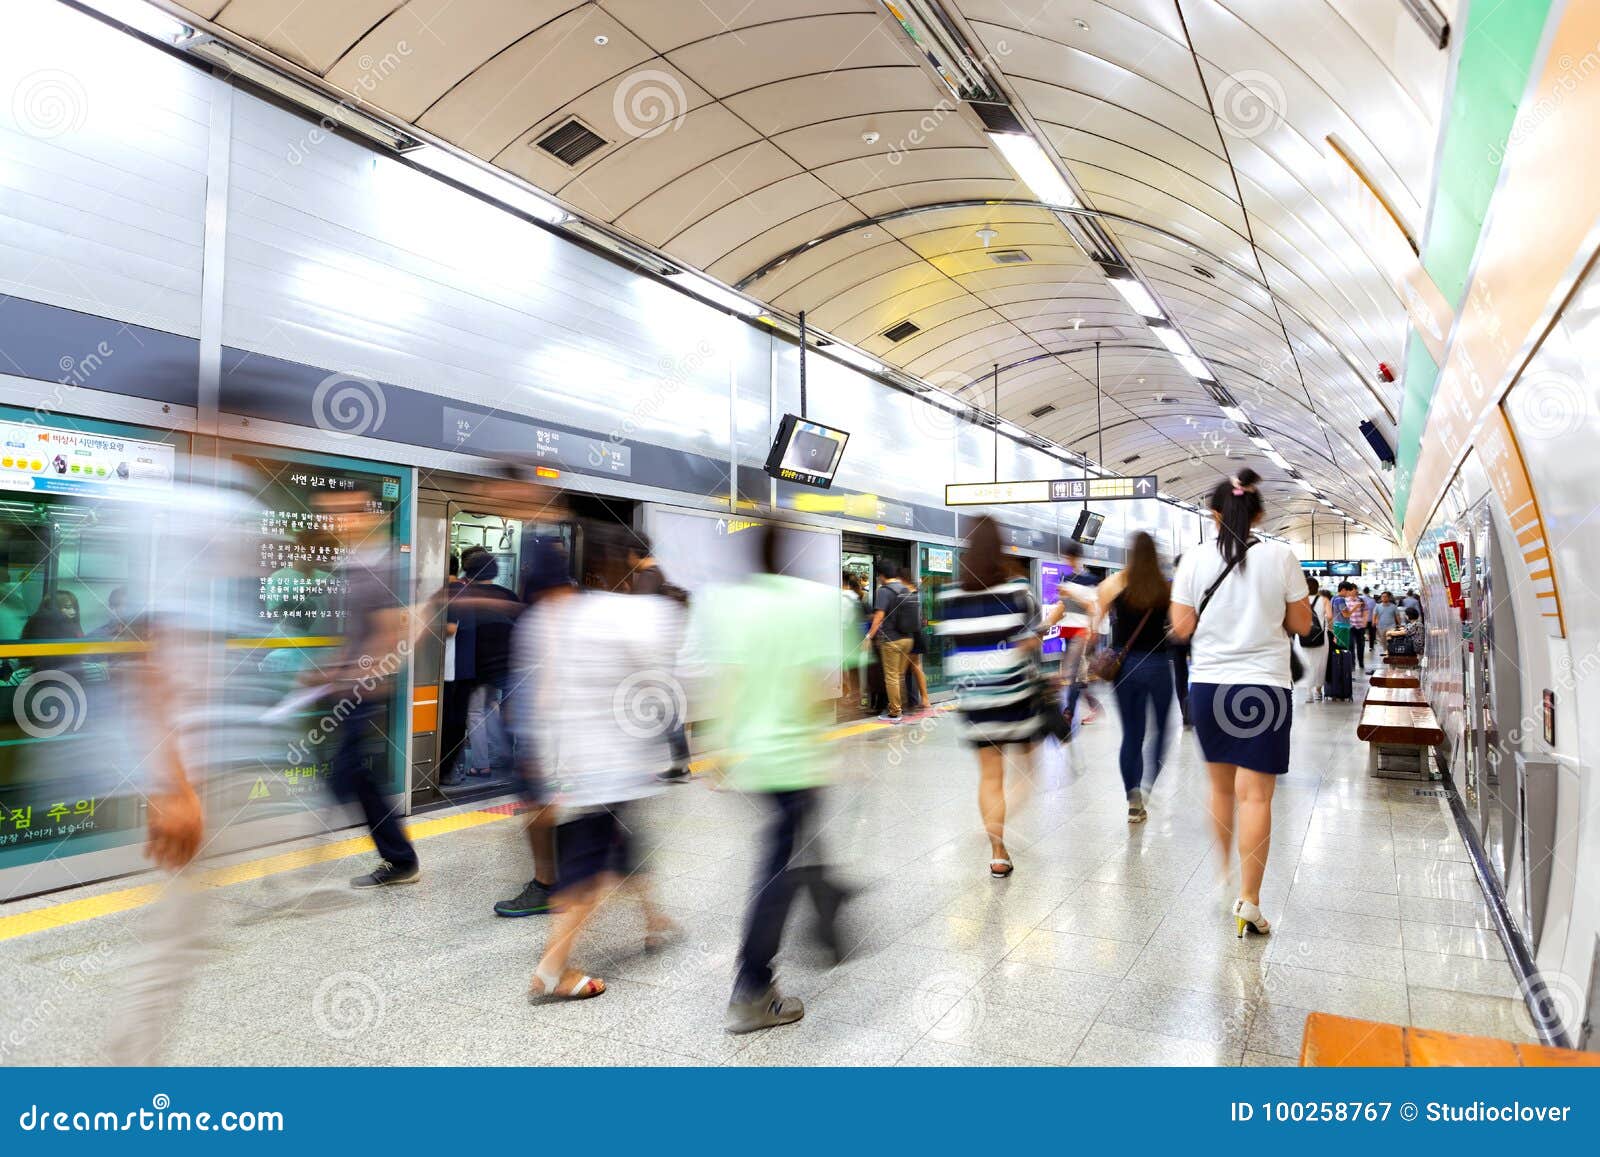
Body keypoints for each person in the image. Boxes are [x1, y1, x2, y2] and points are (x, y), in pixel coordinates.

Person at [698, 522, 854, 1033]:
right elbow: (822, 688)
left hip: (752, 756)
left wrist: (719, 747)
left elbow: (727, 681)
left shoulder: (729, 604)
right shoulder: (813, 603)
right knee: (779, 863)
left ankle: (828, 900)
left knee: (792, 842)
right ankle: (752, 986)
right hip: (793, 757)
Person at [520, 525, 679, 1000]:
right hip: (610, 768)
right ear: (627, 564)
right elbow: (662, 678)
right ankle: (552, 969)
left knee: (619, 849)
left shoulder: (554, 616)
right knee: (588, 874)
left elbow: (542, 694)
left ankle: (655, 919)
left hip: (576, 764)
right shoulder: (629, 615)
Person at [1170, 469, 1311, 939]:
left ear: (1213, 515)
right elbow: (1302, 624)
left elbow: (1182, 628)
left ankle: (1221, 874)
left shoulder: (1192, 561)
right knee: (1256, 797)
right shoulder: (1282, 555)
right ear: (1259, 514)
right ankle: (1249, 899)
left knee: (1222, 789)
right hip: (1264, 690)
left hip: (1208, 687)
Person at [315, 483, 419, 889]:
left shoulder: (387, 565)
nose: (336, 521)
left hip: (364, 689)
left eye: (344, 512)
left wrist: (359, 673)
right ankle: (397, 857)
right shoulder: (354, 563)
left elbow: (390, 631)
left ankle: (398, 859)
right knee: (350, 773)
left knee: (347, 772)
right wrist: (329, 667)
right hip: (347, 687)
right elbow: (356, 632)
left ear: (367, 515)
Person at [934, 517, 1041, 878]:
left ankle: (997, 848)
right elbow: (1028, 642)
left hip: (974, 701)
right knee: (1028, 770)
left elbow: (953, 646)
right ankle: (999, 820)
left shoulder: (949, 596)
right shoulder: (1016, 592)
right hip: (1014, 698)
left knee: (989, 778)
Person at [1094, 532, 1173, 824]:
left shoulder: (1115, 587)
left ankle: (1133, 797)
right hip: (1157, 665)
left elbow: (1096, 623)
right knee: (1162, 730)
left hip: (1124, 666)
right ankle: (1149, 784)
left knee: (1132, 733)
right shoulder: (1165, 590)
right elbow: (1178, 627)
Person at [446, 547, 523, 785]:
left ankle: (481, 765)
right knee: (492, 708)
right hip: (507, 665)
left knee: (475, 713)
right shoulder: (508, 594)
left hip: (478, 666)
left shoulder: (469, 595)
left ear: (469, 571)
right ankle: (504, 756)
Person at [625, 534, 693, 782]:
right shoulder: (657, 575)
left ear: (633, 554)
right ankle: (680, 764)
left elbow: (639, 623)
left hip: (652, 659)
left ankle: (674, 764)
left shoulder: (649, 577)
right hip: (661, 656)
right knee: (664, 711)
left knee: (656, 710)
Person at [1043, 543, 1102, 728]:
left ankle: (1069, 712)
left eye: (1069, 557)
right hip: (1066, 632)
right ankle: (1093, 705)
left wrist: (1073, 595)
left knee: (1074, 674)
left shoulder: (1091, 580)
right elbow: (1062, 607)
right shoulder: (1065, 579)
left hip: (1082, 633)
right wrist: (1046, 625)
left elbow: (1092, 608)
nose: (1067, 561)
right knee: (1073, 674)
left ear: (1076, 558)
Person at [863, 566, 917, 722]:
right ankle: (903, 707)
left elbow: (879, 616)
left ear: (882, 575)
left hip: (892, 640)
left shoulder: (884, 591)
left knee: (891, 677)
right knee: (899, 676)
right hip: (908, 639)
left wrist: (869, 636)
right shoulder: (905, 588)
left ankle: (895, 712)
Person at [1293, 575, 1329, 706]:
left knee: (1306, 662)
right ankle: (1318, 691)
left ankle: (1308, 693)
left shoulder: (1298, 600)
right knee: (1319, 663)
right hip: (1320, 636)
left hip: (1302, 635)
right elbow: (1330, 617)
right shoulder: (1324, 599)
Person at [900, 567, 930, 717]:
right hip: (919, 633)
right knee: (917, 667)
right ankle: (925, 699)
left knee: (900, 670)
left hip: (910, 634)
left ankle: (898, 703)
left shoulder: (905, 592)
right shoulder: (918, 592)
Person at [1169, 555, 1192, 728]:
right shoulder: (1195, 583)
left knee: (1181, 675)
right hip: (1191, 636)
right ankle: (1188, 712)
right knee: (1188, 674)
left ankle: (1187, 713)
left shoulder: (1172, 586)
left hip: (1177, 636)